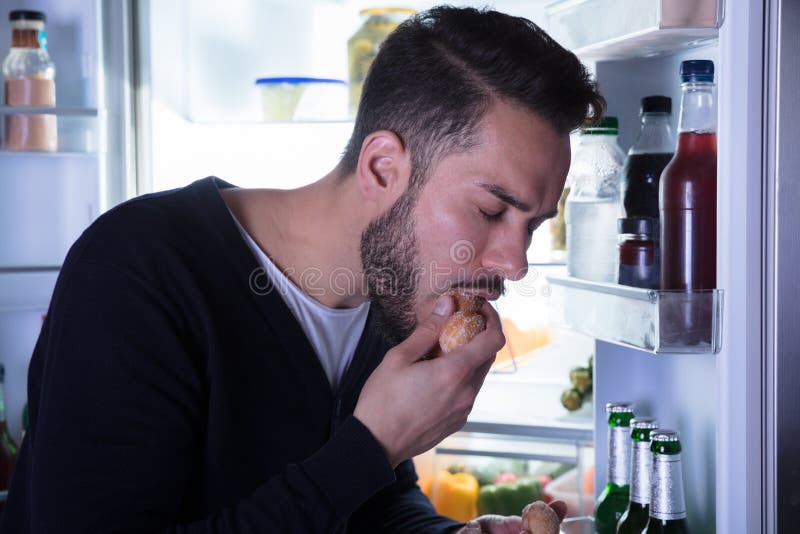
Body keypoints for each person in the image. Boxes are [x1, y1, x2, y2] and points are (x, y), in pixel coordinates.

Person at [0, 6, 603, 534]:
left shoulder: (389, 296)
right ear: (383, 168)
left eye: (534, 225)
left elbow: (374, 506)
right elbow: (347, 475)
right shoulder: (137, 273)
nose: (514, 263)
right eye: (492, 210)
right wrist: (371, 445)